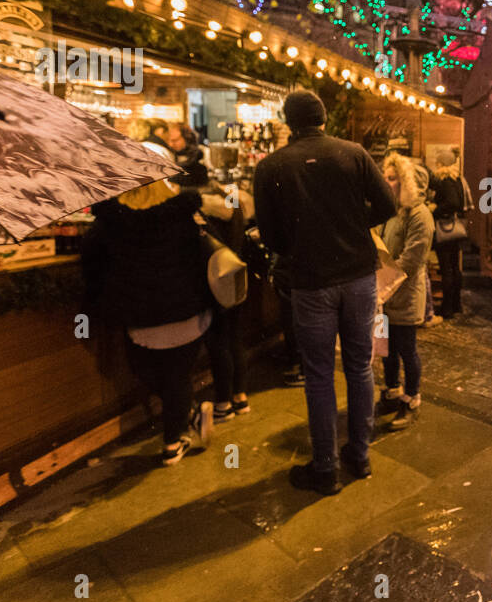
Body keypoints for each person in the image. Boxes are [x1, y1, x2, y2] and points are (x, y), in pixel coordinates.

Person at [254, 90, 397, 495]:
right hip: (359, 277)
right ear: (324, 117)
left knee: (318, 375)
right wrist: (354, 226)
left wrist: (301, 243)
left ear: (288, 122)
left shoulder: (272, 167)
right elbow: (387, 205)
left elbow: (269, 236)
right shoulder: (353, 153)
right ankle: (361, 455)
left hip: (311, 281)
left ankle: (325, 468)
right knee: (359, 366)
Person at [81, 152, 213, 466]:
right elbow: (203, 255)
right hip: (185, 308)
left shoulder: (111, 223)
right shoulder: (183, 214)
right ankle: (177, 434)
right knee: (177, 376)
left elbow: (91, 264)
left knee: (147, 372)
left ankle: (179, 431)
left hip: (139, 315)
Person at [376, 152, 435, 430]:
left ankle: (411, 398)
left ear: (406, 182)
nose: (387, 184)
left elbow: (411, 259)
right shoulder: (392, 211)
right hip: (384, 293)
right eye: (385, 178)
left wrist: (382, 278)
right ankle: (391, 391)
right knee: (385, 348)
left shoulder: (420, 215)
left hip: (405, 293)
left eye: (392, 179)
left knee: (405, 349)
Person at [194, 166, 256, 422]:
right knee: (234, 337)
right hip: (235, 277)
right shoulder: (235, 202)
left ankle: (223, 402)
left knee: (217, 342)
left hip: (212, 281)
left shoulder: (201, 212)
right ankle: (240, 397)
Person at [429, 147, 469, 319]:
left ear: (442, 164)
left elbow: (451, 202)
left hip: (445, 229)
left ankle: (446, 308)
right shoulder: (458, 179)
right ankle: (456, 304)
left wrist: (434, 209)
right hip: (455, 228)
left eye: (438, 162)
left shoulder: (445, 180)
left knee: (446, 269)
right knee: (454, 268)